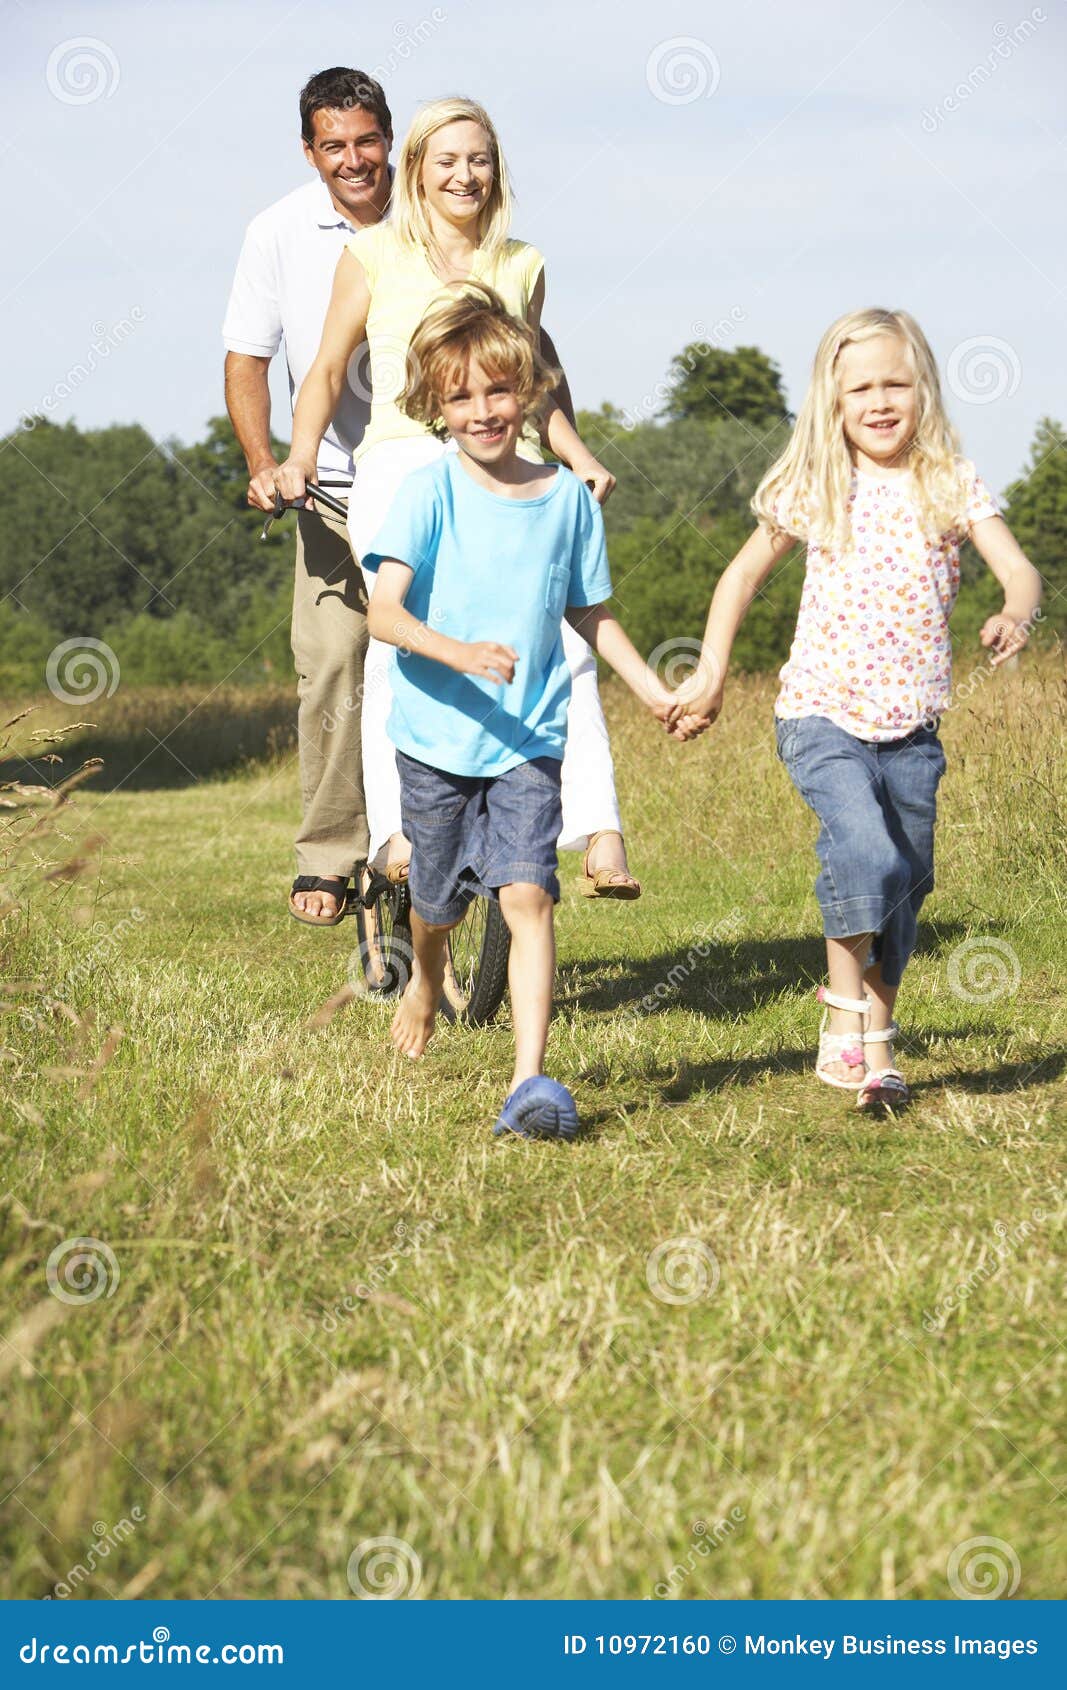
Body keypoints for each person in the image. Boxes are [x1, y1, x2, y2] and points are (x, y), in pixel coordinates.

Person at [671, 307, 1042, 1110]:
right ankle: (843, 1014)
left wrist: (1013, 613)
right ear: (831, 403)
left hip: (910, 730)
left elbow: (1017, 569)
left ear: (923, 390)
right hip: (820, 715)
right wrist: (710, 674)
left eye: (895, 384)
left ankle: (875, 1049)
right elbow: (738, 579)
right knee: (866, 856)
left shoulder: (949, 480)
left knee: (905, 885)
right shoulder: (817, 483)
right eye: (860, 388)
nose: (879, 401)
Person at [276, 96, 642, 901]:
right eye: (445, 160)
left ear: (496, 169)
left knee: (564, 639)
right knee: (396, 638)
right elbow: (328, 370)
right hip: (403, 462)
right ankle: (397, 831)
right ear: (417, 171)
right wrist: (299, 456)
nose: (464, 174)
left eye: (478, 159)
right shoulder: (373, 254)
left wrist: (576, 454)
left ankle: (598, 829)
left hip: (509, 460)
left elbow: (537, 381)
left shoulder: (522, 262)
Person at [361, 287, 702, 1133]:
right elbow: (384, 613)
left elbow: (590, 613)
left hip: (527, 738)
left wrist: (654, 691)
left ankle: (530, 1082)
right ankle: (426, 982)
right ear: (434, 406)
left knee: (528, 897)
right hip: (437, 737)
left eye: (498, 392)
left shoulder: (566, 501)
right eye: (461, 397)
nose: (483, 411)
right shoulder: (427, 491)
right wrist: (458, 652)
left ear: (529, 391)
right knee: (436, 901)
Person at [223, 67, 393, 926]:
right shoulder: (278, 231)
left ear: (389, 139)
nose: (354, 160)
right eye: (335, 146)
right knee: (333, 663)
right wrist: (265, 462)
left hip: (439, 480)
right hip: (327, 484)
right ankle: (329, 853)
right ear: (310, 151)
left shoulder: (434, 209)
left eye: (367, 141)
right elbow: (248, 358)